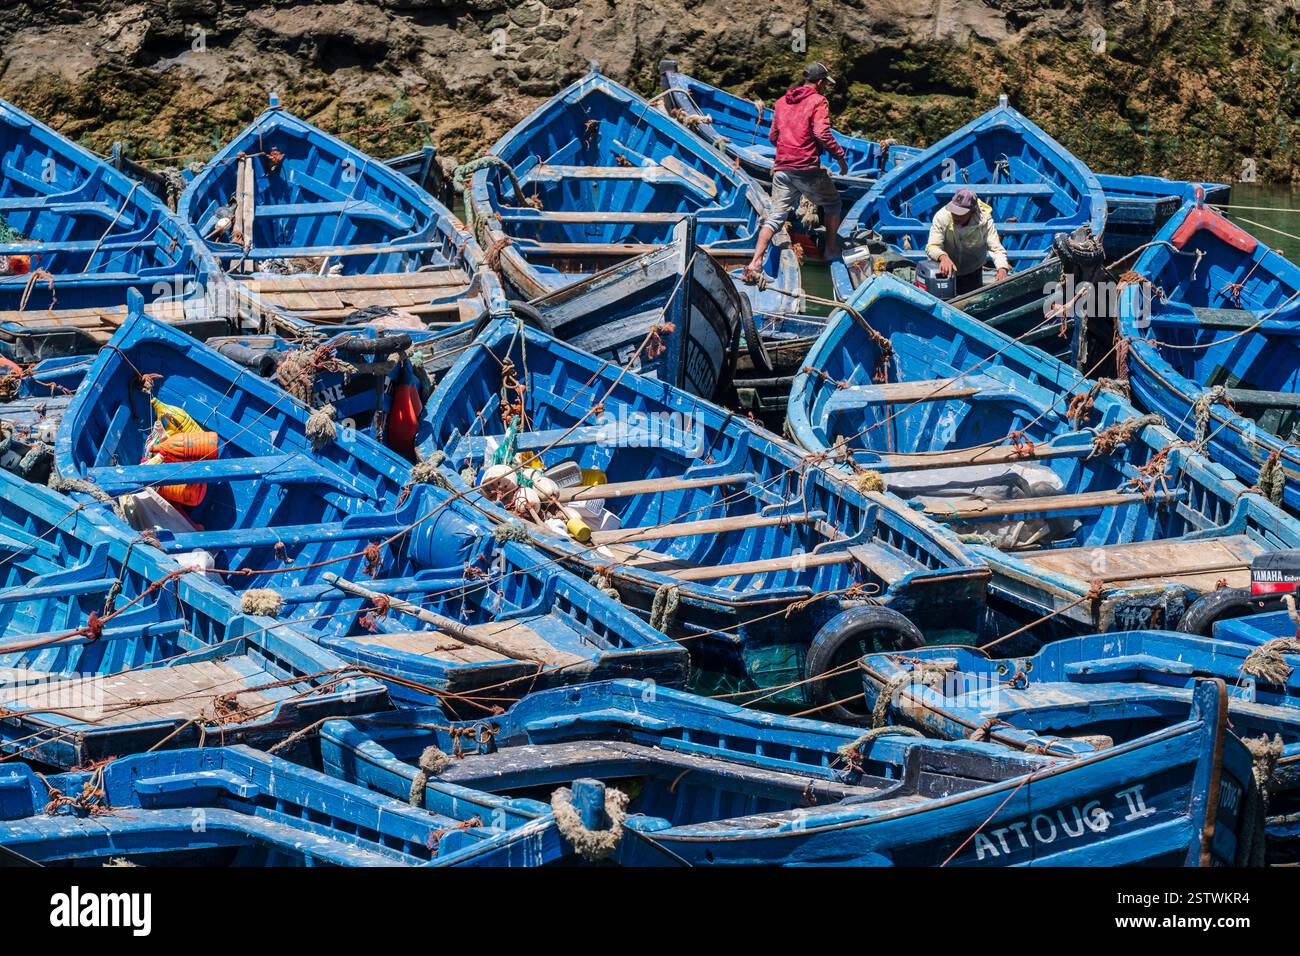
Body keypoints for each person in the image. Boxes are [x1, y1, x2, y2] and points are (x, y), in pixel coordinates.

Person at [743, 62, 848, 282]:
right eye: (825, 85)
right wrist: (840, 157)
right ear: (820, 83)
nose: (826, 88)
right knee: (833, 204)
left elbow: (773, 137)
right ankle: (829, 250)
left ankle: (755, 263)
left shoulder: (782, 102)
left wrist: (788, 145)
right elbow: (821, 132)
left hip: (782, 168)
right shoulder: (818, 100)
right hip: (806, 168)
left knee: (775, 218)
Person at [925, 187, 1011, 294]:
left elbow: (996, 249)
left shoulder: (985, 220)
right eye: (953, 211)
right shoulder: (941, 217)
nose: (955, 215)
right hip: (944, 270)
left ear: (972, 211)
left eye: (960, 214)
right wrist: (943, 257)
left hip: (972, 269)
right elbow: (932, 246)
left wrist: (1002, 268)